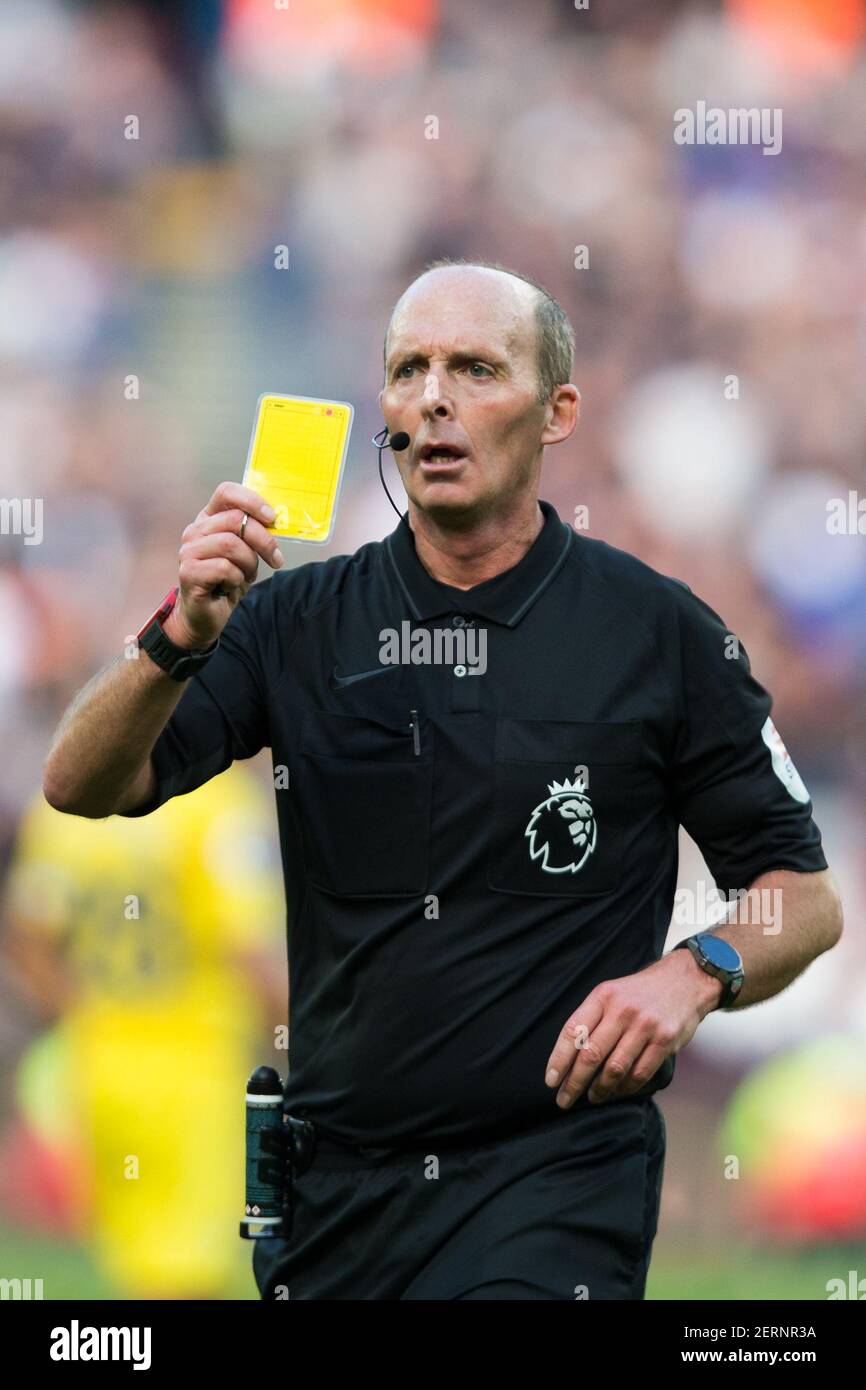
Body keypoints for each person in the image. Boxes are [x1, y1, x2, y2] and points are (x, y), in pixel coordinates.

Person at [42, 260, 844, 1300]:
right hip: (336, 1191)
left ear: (556, 412)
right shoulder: (292, 621)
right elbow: (82, 782)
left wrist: (691, 972)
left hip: (554, 1180)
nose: (433, 396)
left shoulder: (657, 632)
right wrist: (177, 633)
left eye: (473, 368)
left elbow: (803, 894)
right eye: (408, 369)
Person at [3, 762, 285, 1298]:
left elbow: (30, 939)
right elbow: (249, 950)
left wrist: (85, 1017)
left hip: (100, 1062)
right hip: (195, 1066)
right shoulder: (216, 804)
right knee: (189, 1271)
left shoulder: (68, 802)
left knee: (139, 1267)